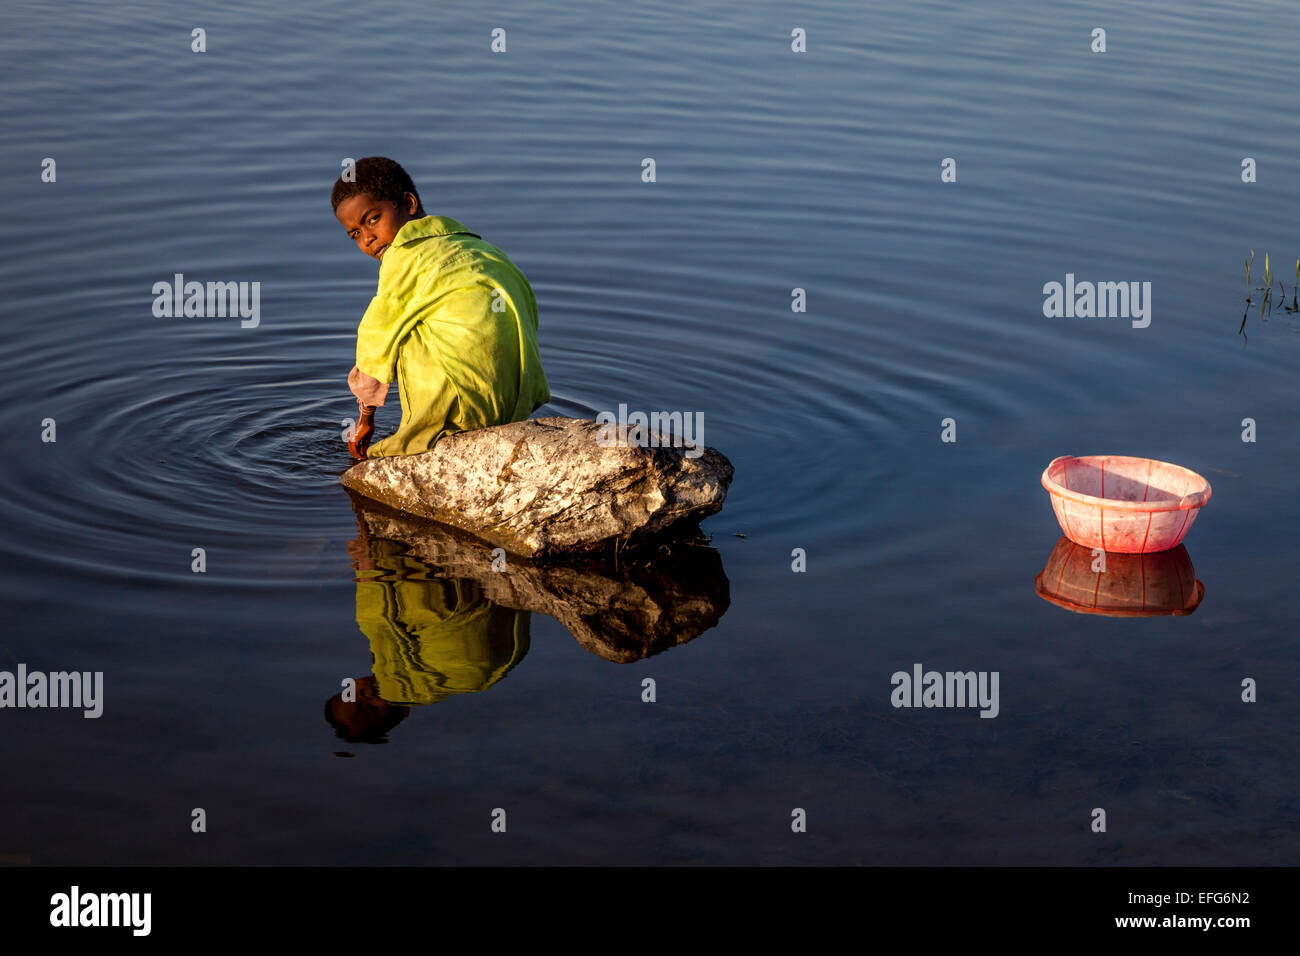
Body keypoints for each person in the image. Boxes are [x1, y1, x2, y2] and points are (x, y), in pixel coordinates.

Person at [331, 156, 551, 458]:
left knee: (401, 330)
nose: (368, 238)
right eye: (355, 234)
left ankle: (423, 436)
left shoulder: (404, 256)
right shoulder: (482, 249)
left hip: (462, 415)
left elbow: (375, 341)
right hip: (517, 404)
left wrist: (365, 417)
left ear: (408, 204)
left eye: (372, 219)